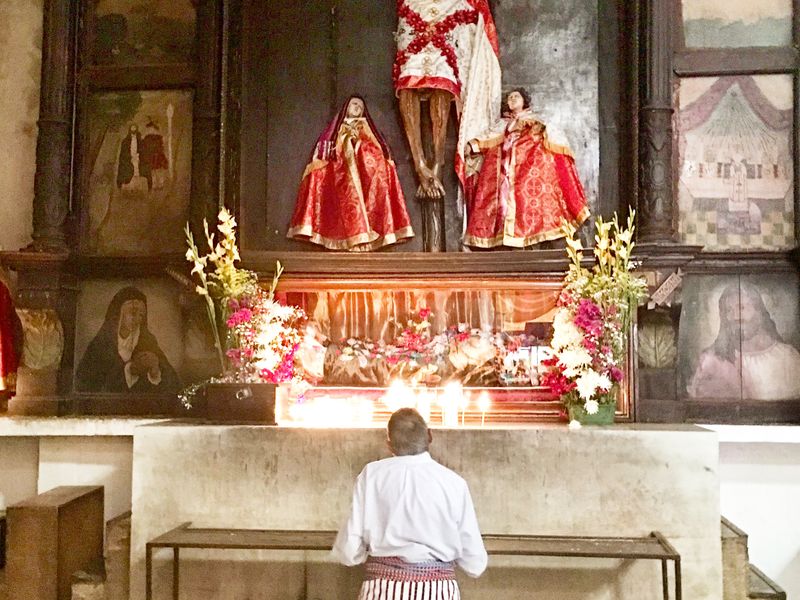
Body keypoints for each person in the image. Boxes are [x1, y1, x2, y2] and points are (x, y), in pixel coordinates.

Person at [332, 407, 487, 599]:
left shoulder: (371, 476)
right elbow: (475, 563)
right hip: (437, 592)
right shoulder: (454, 483)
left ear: (389, 444)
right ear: (429, 436)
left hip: (382, 590)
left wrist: (362, 555)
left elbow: (349, 548)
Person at [395, 0, 502, 201]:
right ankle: (420, 164)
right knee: (407, 83)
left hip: (449, 14)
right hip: (417, 12)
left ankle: (437, 162)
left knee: (442, 83)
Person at [462, 88, 590, 248]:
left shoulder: (533, 119)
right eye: (510, 97)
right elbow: (489, 136)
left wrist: (537, 129)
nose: (512, 99)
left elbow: (551, 133)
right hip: (504, 169)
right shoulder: (503, 123)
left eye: (516, 96)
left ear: (524, 101)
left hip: (526, 166)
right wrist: (473, 145)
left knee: (526, 197)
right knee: (498, 198)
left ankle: (529, 236)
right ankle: (505, 238)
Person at [287, 96, 414, 251]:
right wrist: (345, 144)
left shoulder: (367, 128)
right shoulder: (335, 131)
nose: (357, 108)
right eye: (354, 104)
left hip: (365, 176)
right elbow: (325, 154)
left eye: (360, 106)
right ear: (346, 108)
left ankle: (370, 230)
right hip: (340, 177)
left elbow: (378, 152)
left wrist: (359, 145)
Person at [687, 282, 800, 400]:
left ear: (758, 312)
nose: (736, 317)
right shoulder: (712, 360)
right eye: (729, 310)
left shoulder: (788, 357)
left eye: (742, 308)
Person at [75, 286, 180, 393]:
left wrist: (155, 370)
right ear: (119, 314)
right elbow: (85, 383)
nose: (138, 319)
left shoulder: (147, 341)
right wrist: (129, 370)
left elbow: (174, 384)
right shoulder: (101, 343)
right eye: (133, 313)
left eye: (141, 315)